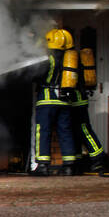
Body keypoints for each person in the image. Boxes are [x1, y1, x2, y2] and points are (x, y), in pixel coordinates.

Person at [33, 27, 78, 176]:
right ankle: (69, 166)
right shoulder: (68, 60)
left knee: (43, 131)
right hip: (65, 101)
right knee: (65, 132)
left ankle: (43, 166)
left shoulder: (48, 59)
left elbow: (37, 77)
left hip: (47, 100)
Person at [71, 44, 107, 174]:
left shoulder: (70, 61)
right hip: (79, 100)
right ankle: (80, 160)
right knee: (77, 131)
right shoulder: (77, 61)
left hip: (77, 101)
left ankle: (98, 157)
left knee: (84, 130)